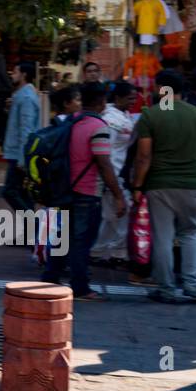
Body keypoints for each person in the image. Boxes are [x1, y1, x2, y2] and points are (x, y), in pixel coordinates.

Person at [132, 69, 196, 303]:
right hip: (192, 184)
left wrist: (137, 186)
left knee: (163, 237)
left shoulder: (151, 115)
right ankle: (191, 285)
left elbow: (143, 157)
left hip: (160, 184)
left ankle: (166, 287)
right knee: (191, 233)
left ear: (161, 89)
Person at [40, 81, 125, 300]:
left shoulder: (71, 123)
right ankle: (80, 287)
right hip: (87, 193)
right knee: (81, 242)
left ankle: (51, 277)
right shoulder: (98, 127)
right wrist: (118, 195)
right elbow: (104, 164)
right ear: (101, 102)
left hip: (66, 189)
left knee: (63, 237)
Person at [92, 81, 138, 266]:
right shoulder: (110, 120)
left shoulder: (123, 115)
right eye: (129, 98)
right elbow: (105, 152)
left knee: (112, 217)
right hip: (114, 175)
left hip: (120, 174)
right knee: (119, 215)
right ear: (117, 98)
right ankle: (113, 252)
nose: (132, 102)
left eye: (134, 98)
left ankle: (102, 251)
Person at [2, 60, 40, 212]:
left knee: (10, 191)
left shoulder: (26, 98)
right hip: (18, 153)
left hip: (20, 154)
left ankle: (35, 225)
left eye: (16, 72)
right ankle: (30, 232)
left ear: (23, 75)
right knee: (23, 193)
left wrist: (23, 159)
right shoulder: (22, 96)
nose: (12, 74)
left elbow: (26, 129)